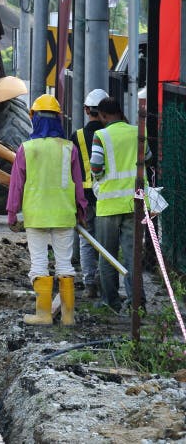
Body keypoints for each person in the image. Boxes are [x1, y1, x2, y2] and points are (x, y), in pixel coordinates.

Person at [7, 94, 87, 326]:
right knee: (65, 264)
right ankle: (68, 317)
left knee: (39, 263)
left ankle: (43, 315)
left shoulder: (27, 149)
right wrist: (82, 212)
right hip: (64, 215)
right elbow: (78, 184)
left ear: (34, 118)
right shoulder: (68, 149)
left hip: (36, 215)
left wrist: (12, 214)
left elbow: (16, 185)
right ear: (58, 119)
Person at [91, 96, 152, 313]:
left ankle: (111, 301)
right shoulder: (138, 132)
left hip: (108, 205)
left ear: (104, 116)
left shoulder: (101, 136)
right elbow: (148, 157)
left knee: (107, 255)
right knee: (133, 255)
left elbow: (96, 168)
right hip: (135, 203)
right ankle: (137, 303)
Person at [70, 88, 110, 298]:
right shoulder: (109, 135)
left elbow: (69, 169)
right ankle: (106, 283)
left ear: (86, 110)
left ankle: (89, 284)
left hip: (83, 197)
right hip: (106, 194)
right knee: (107, 240)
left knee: (87, 240)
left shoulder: (76, 137)